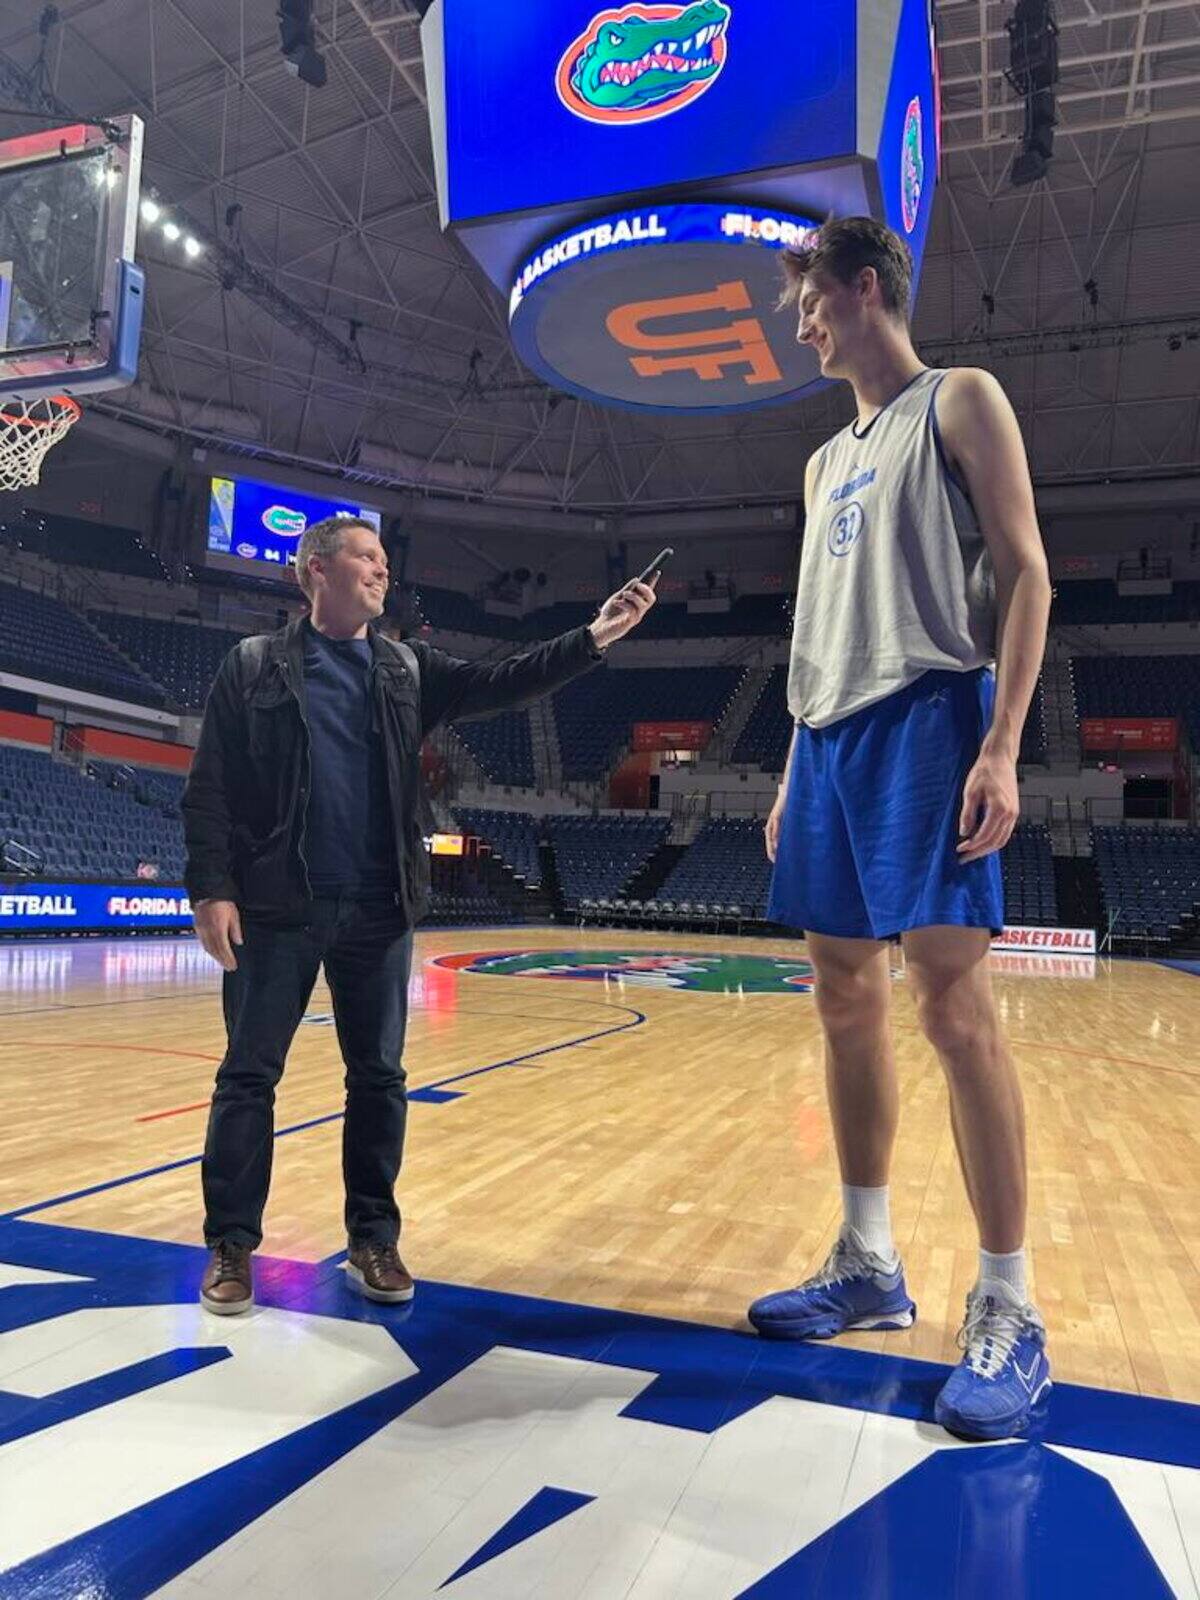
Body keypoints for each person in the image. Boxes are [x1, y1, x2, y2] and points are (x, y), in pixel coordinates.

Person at [183, 515, 657, 1315]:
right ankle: (231, 1245)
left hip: (380, 905)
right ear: (317, 569)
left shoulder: (406, 668)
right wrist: (210, 889)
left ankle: (372, 1239)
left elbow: (503, 681)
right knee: (248, 1077)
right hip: (276, 905)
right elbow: (210, 787)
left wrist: (594, 637)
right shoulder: (253, 664)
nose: (382, 572)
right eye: (366, 558)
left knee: (379, 1079)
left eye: (382, 561)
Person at [748, 218, 1053, 1441]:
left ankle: (1011, 1303)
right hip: (827, 738)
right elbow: (813, 630)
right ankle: (868, 1263)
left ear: (866, 287)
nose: (801, 324)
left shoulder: (958, 399)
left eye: (811, 301)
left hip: (930, 714)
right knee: (842, 996)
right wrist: (791, 768)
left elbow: (1026, 573)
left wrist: (1002, 741)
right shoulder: (823, 462)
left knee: (952, 1007)